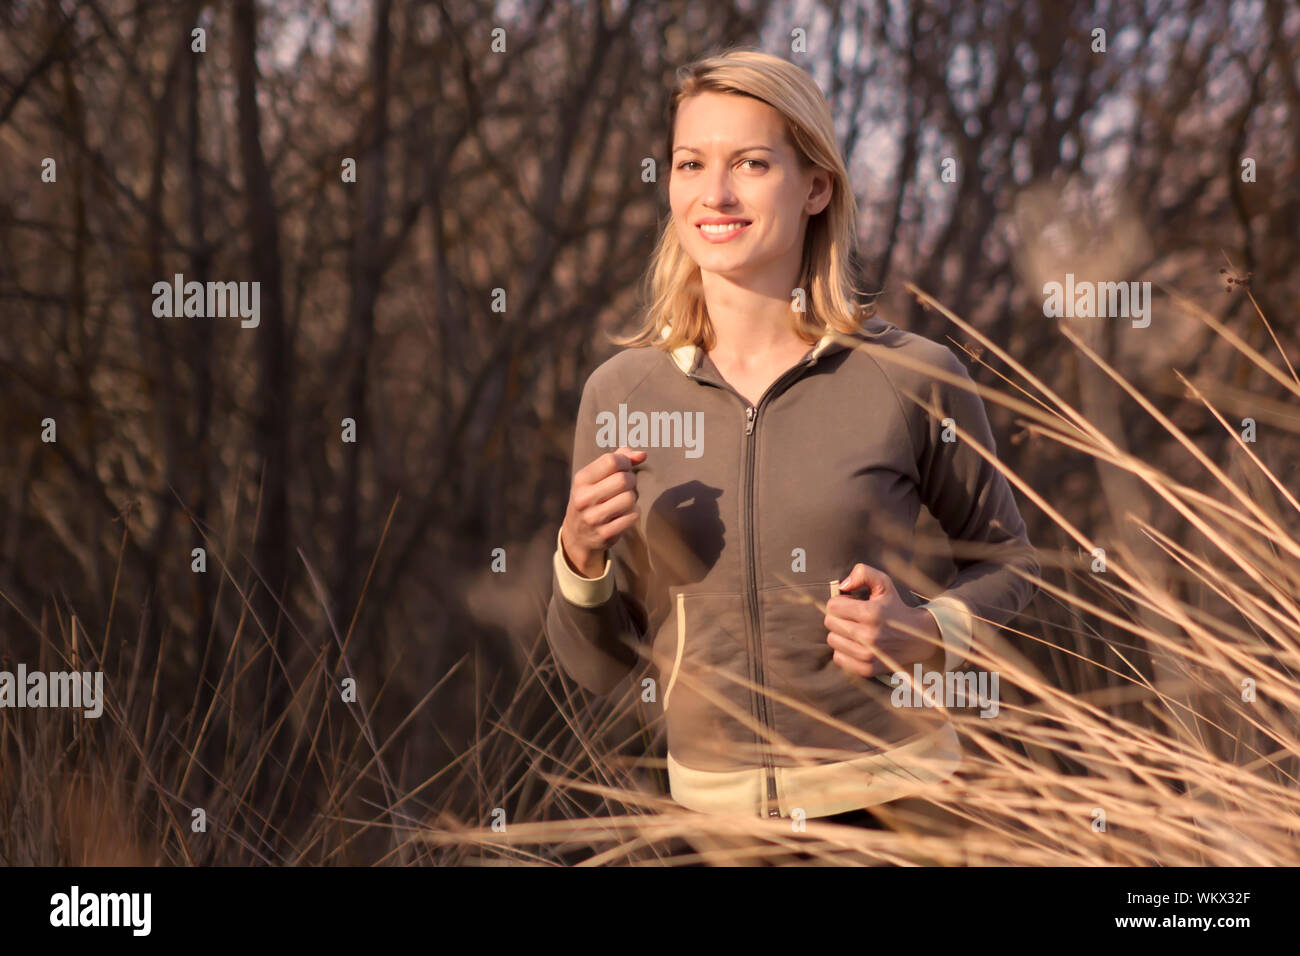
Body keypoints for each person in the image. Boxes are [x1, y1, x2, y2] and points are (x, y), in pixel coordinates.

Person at [544, 48, 1039, 835]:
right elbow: (601, 665)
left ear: (815, 187)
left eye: (750, 163)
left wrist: (927, 631)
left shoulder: (910, 376)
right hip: (707, 830)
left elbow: (1013, 567)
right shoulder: (620, 394)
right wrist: (579, 557)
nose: (715, 193)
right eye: (690, 163)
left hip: (898, 814)